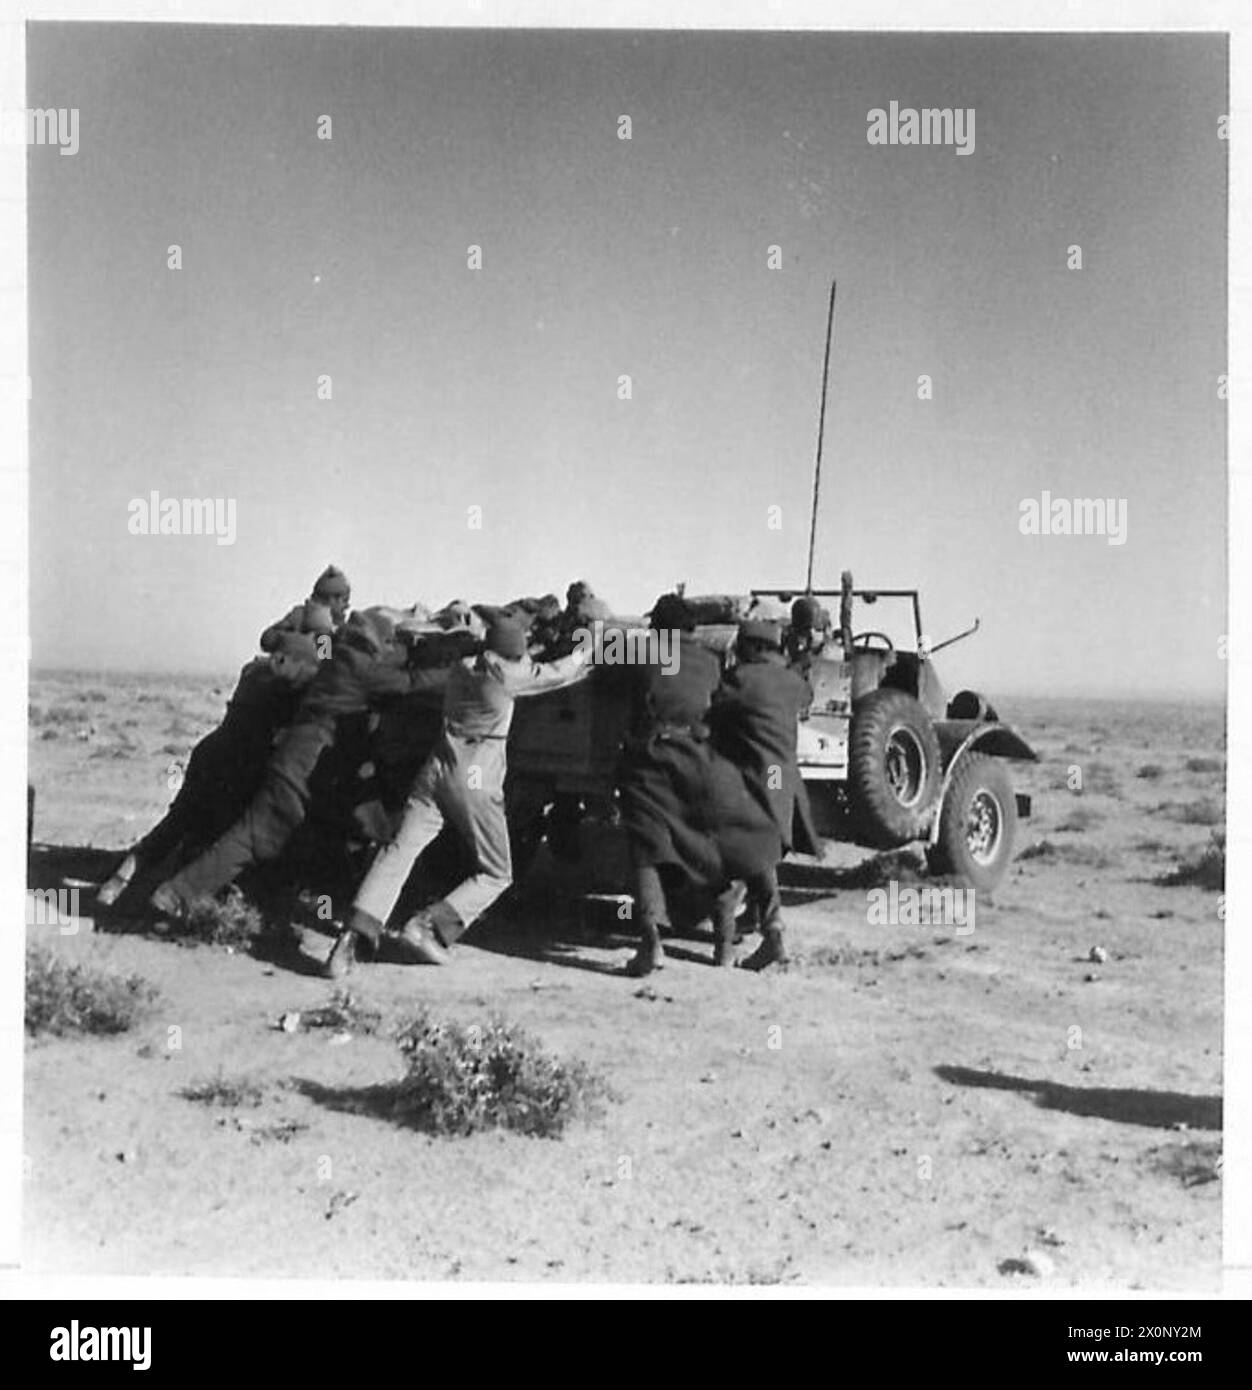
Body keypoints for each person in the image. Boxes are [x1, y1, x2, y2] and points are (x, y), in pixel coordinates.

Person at [326, 607, 591, 977]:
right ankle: (429, 928)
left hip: (436, 767)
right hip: (477, 773)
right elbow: (556, 674)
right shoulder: (506, 676)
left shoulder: (465, 666)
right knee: (497, 872)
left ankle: (351, 939)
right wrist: (583, 650)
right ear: (513, 654)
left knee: (398, 851)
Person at [148, 607, 435, 916]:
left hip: (297, 766)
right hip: (300, 770)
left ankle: (191, 892)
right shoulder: (356, 664)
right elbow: (409, 683)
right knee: (252, 839)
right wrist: (458, 673)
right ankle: (177, 893)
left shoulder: (336, 657)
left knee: (284, 840)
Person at [617, 594, 783, 976]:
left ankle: (651, 945)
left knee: (647, 844)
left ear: (658, 627)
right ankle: (724, 948)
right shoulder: (710, 661)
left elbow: (602, 670)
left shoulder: (643, 651)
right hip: (704, 759)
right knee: (715, 845)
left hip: (655, 759)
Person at [96, 633, 321, 909]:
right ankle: (179, 896)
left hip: (211, 752)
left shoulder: (256, 673)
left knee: (178, 822)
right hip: (237, 764)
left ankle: (121, 879)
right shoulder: (295, 689)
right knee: (231, 834)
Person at [709, 618, 818, 970]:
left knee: (735, 858)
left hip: (752, 779)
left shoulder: (739, 679)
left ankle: (747, 943)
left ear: (752, 648)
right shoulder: (792, 683)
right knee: (763, 856)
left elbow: (711, 710)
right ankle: (766, 930)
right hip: (780, 779)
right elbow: (807, 695)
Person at [259, 564, 351, 653]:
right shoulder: (306, 617)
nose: (347, 606)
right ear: (332, 599)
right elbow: (324, 658)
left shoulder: (338, 625)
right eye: (344, 600)